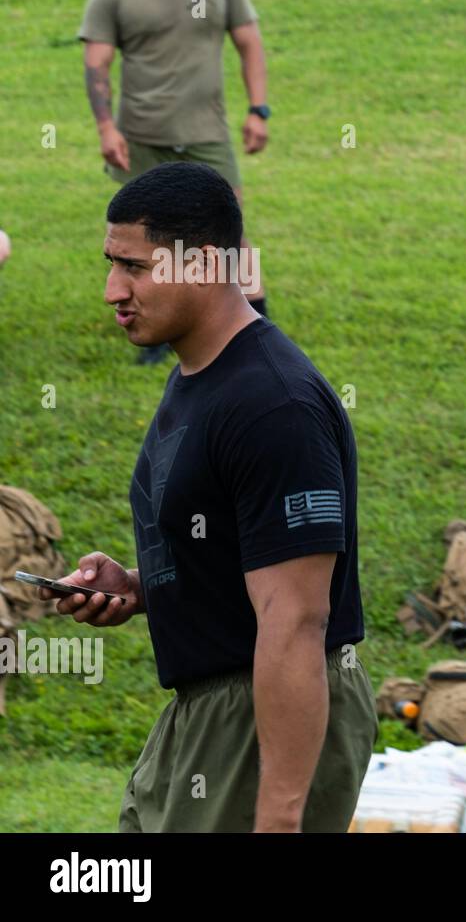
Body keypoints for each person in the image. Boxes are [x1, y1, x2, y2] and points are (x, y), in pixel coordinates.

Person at [46, 163, 374, 832]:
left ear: (200, 265)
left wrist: (279, 817)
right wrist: (143, 586)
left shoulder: (272, 404)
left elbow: (296, 621)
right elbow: (238, 554)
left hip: (262, 714)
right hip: (207, 714)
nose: (113, 290)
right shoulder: (200, 379)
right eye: (111, 265)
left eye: (134, 267)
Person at [79, 0, 272, 364]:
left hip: (207, 134)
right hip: (143, 137)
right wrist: (105, 128)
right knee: (147, 242)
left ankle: (258, 326)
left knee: (230, 234)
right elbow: (96, 64)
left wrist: (258, 109)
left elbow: (249, 42)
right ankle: (155, 333)